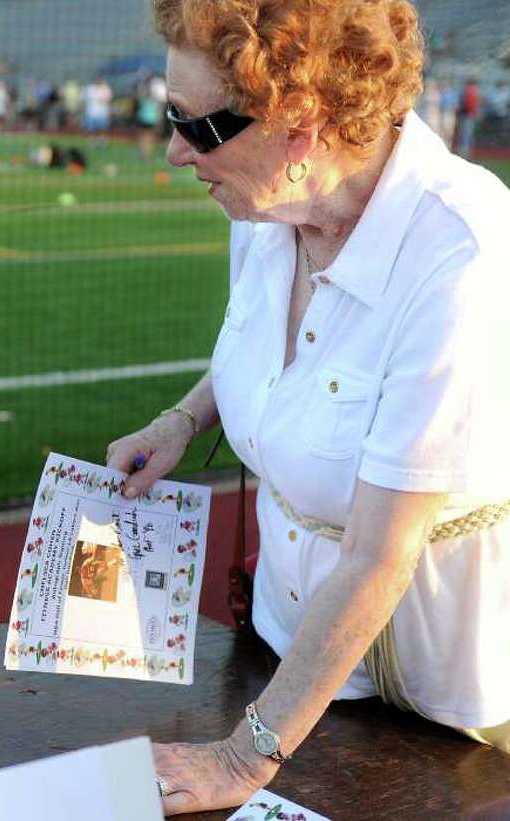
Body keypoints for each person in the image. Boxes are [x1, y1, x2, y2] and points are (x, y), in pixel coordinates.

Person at [106, 1, 510, 814]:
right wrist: (183, 420)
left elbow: (378, 554)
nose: (176, 150)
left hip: (447, 708)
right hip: (289, 659)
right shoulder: (268, 205)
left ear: (300, 122)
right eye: (167, 115)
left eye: (197, 126)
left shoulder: (460, 251)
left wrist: (241, 758)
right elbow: (271, 351)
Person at [454, 77, 481, 159]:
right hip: (469, 115)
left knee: (464, 134)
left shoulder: (466, 90)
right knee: (467, 134)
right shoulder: (474, 91)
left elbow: (461, 104)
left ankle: (464, 153)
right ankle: (465, 153)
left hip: (465, 115)